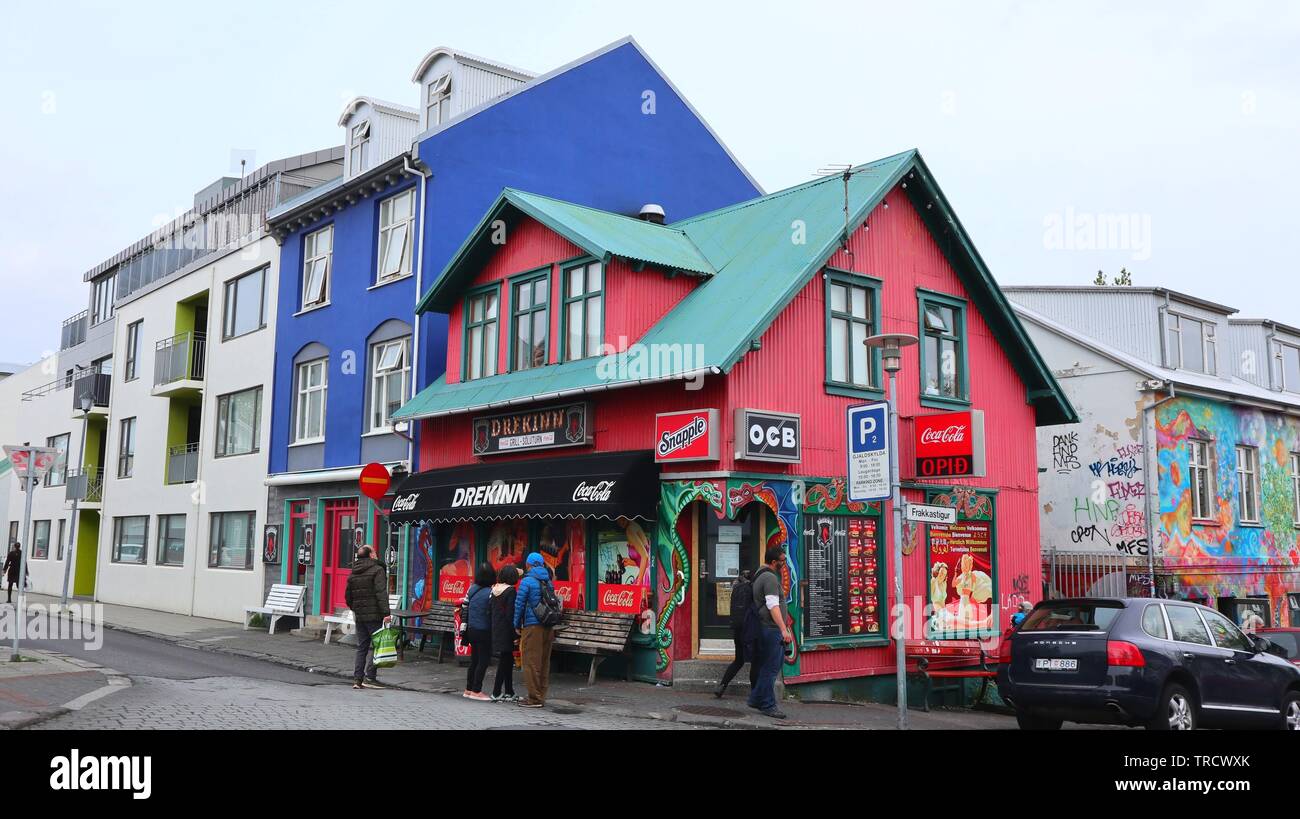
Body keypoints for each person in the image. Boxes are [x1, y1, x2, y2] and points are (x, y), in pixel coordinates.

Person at [747, 546, 793, 719]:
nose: (784, 564)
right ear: (774, 562)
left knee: (769, 666)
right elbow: (773, 605)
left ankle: (756, 699)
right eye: (782, 561)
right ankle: (767, 705)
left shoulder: (761, 573)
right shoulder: (770, 578)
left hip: (768, 628)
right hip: (772, 629)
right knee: (771, 668)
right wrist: (783, 629)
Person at [513, 552, 558, 708]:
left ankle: (534, 699)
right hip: (548, 626)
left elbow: (519, 605)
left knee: (531, 662)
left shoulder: (527, 581)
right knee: (544, 662)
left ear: (528, 565)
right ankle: (541, 695)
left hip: (532, 627)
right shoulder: (548, 581)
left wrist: (516, 625)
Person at [344, 545, 391, 690]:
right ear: (371, 555)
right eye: (375, 552)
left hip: (360, 616)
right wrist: (386, 613)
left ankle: (357, 679)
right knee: (378, 645)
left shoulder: (354, 572)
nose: (376, 554)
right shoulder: (378, 570)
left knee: (362, 647)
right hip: (375, 615)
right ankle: (370, 677)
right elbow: (381, 593)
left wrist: (356, 609)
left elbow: (348, 597)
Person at [715, 569, 758, 698]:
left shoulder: (736, 589)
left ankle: (722, 686)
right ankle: (755, 693)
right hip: (749, 629)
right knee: (755, 662)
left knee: (738, 661)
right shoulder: (751, 588)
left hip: (737, 628)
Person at [462, 564, 495, 701]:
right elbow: (492, 611)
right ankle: (476, 690)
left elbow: (464, 607)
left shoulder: (471, 589)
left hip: (471, 629)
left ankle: (468, 689)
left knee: (474, 660)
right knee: (483, 660)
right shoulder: (491, 593)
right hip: (484, 630)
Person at [489, 564, 520, 702]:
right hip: (507, 631)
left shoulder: (494, 590)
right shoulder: (511, 591)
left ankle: (509, 691)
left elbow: (490, 611)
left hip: (497, 629)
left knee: (507, 660)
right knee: (504, 662)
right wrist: (515, 634)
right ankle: (496, 692)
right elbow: (510, 614)